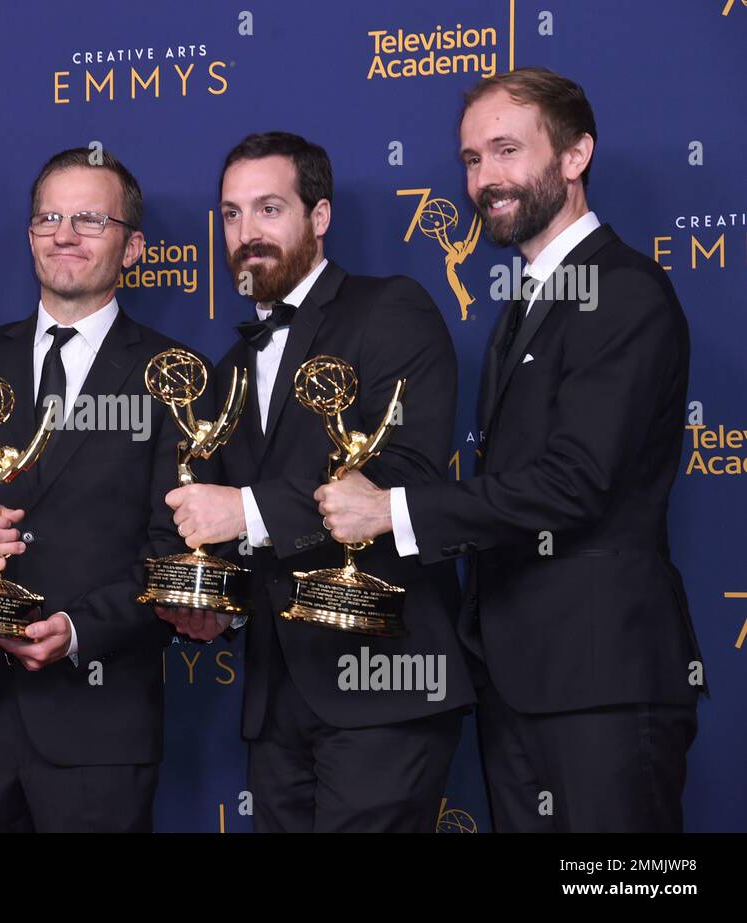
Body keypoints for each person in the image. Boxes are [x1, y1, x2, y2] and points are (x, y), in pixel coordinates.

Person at [314, 67, 704, 832]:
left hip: (602, 683)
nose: (485, 179)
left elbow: (573, 483)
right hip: (522, 678)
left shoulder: (620, 291)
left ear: (575, 154)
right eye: (470, 160)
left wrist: (390, 509)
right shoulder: (531, 301)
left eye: (505, 151)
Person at [161, 132, 475, 832]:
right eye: (232, 214)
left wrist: (243, 510)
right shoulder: (226, 368)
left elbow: (406, 477)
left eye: (269, 209)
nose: (247, 234)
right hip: (277, 701)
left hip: (386, 686)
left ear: (320, 215)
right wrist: (219, 606)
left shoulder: (391, 308)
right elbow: (252, 548)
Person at [0, 148, 191, 832]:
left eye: (89, 218)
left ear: (134, 246)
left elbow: (173, 549)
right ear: (29, 235)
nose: (64, 234)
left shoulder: (172, 376)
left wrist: (83, 629)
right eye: (49, 217)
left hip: (97, 727)